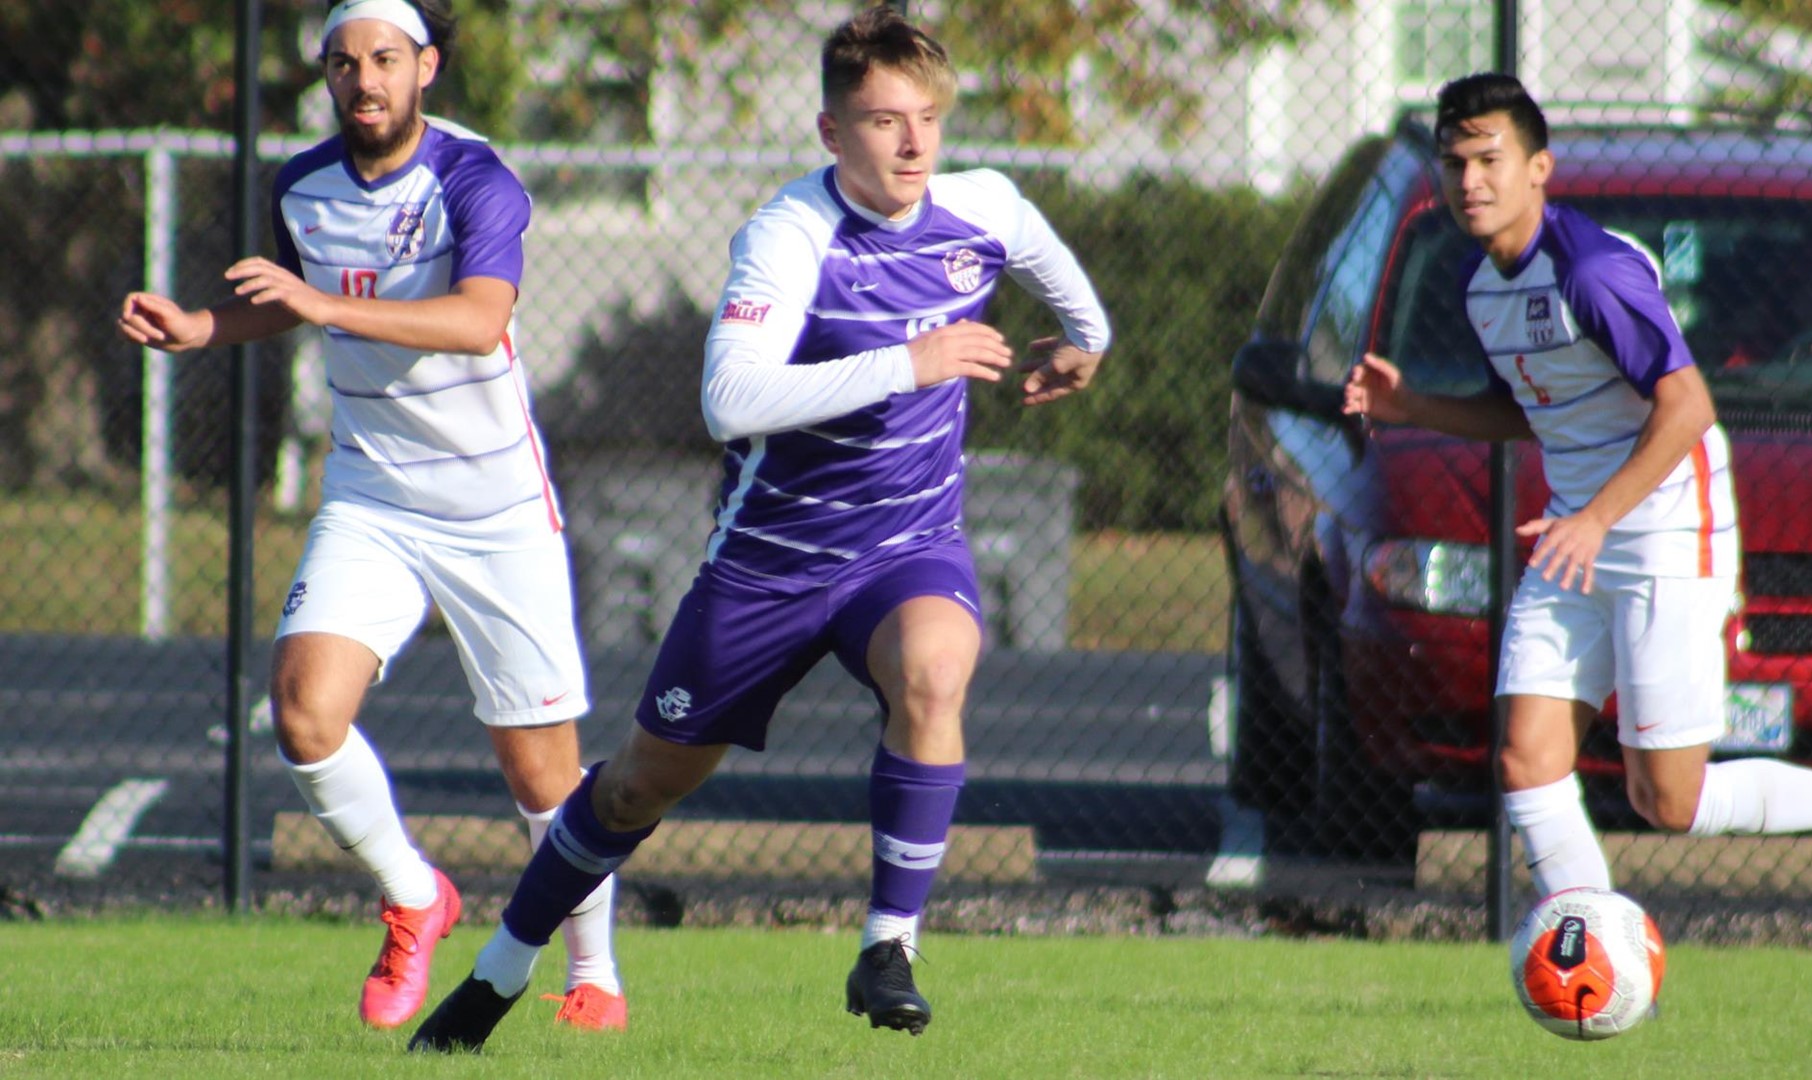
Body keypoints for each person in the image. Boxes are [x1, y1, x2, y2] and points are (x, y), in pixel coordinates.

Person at [408, 4, 1111, 1053]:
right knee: (641, 784)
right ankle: (498, 973)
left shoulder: (985, 208)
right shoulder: (788, 236)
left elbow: (1072, 295)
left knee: (935, 669)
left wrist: (1085, 344)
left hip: (906, 548)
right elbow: (730, 400)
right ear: (833, 134)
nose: (914, 143)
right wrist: (909, 363)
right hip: (768, 567)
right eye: (883, 121)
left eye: (926, 117)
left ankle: (889, 946)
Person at [115, 0, 625, 1033]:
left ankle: (594, 974)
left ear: (425, 66)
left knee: (541, 771)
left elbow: (482, 320)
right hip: (373, 495)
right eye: (344, 64)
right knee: (304, 711)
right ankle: (413, 895)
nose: (365, 81)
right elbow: (293, 289)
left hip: (495, 504)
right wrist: (206, 325)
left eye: (385, 59)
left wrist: (322, 310)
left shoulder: (475, 177)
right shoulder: (300, 184)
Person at [1342, 73, 1812, 910]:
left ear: (1538, 168)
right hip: (1580, 532)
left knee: (1670, 801)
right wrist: (1411, 407)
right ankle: (1589, 947)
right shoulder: (1485, 288)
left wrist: (1597, 517)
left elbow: (1687, 406)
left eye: (1489, 158)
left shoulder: (1593, 269)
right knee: (1525, 761)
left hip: (1662, 530)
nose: (1468, 180)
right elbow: (1534, 412)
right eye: (1453, 161)